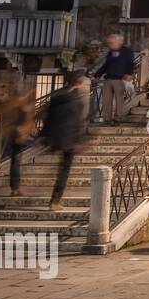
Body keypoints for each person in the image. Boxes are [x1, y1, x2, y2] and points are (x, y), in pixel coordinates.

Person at [41, 71, 86, 211]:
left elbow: (47, 117)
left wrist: (44, 135)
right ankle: (55, 200)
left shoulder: (56, 95)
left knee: (62, 168)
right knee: (64, 170)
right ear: (77, 83)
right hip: (70, 139)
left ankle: (55, 200)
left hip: (56, 137)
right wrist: (80, 139)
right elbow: (78, 121)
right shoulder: (77, 99)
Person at [0, 89, 36, 197]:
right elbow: (25, 120)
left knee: (15, 161)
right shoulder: (20, 109)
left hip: (12, 137)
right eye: (23, 97)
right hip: (16, 137)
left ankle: (15, 187)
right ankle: (15, 188)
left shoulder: (12, 108)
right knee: (15, 161)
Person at [92, 33, 135, 123]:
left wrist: (129, 73)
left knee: (119, 100)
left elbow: (131, 63)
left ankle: (118, 118)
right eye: (109, 43)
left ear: (119, 42)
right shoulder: (111, 52)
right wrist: (97, 75)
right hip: (108, 78)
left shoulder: (127, 51)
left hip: (120, 79)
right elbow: (106, 65)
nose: (110, 44)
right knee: (106, 100)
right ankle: (107, 119)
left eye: (112, 42)